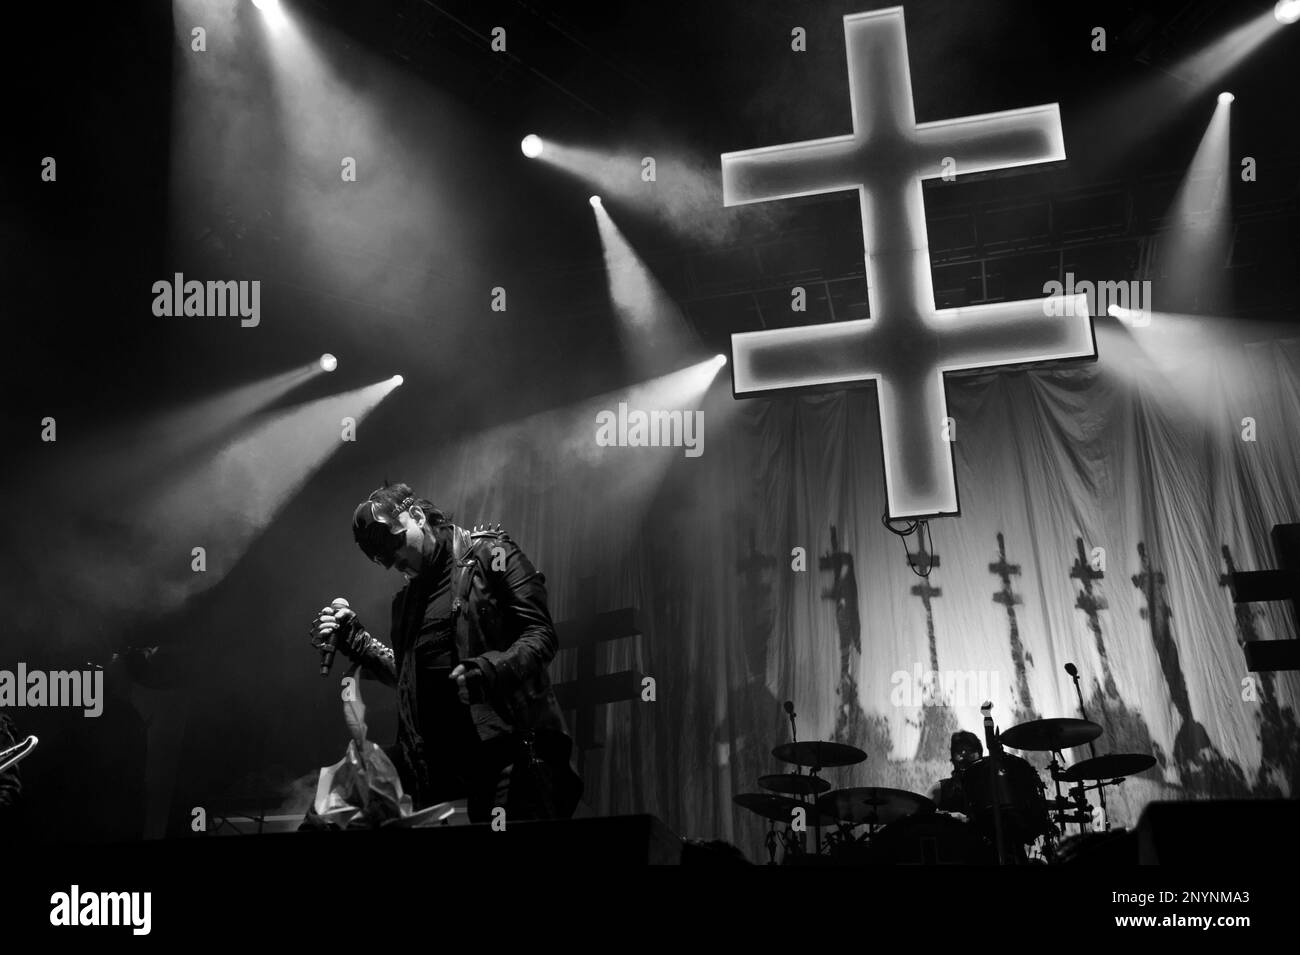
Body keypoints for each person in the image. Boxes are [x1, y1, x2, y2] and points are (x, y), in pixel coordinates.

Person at [309, 483, 581, 824]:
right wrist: (358, 642)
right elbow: (411, 677)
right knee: (337, 792)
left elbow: (541, 634)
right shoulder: (406, 603)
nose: (395, 561)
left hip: (506, 745)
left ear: (418, 516)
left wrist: (490, 671)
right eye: (385, 558)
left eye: (396, 543)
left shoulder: (490, 555)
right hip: (434, 755)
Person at [928, 730, 982, 816]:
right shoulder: (939, 789)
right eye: (959, 750)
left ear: (980, 755)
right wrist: (949, 815)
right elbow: (922, 816)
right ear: (953, 757)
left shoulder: (991, 786)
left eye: (969, 750)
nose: (964, 754)